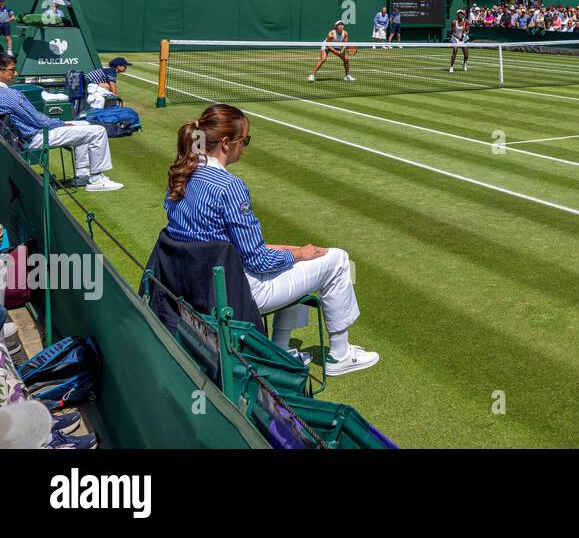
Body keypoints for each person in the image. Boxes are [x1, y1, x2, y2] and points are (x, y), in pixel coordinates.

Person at [164, 104, 378, 375]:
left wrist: (295, 250)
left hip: (194, 284)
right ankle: (340, 355)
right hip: (233, 291)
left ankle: (279, 350)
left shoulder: (182, 176)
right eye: (245, 141)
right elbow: (259, 261)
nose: (246, 147)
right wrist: (298, 254)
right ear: (227, 143)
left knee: (297, 260)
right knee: (337, 259)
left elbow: (223, 245)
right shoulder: (230, 187)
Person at [0, 53, 121, 191]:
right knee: (98, 131)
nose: (15, 73)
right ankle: (97, 179)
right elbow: (37, 120)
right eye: (12, 70)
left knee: (86, 124)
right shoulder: (7, 94)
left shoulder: (6, 92)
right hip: (36, 137)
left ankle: (82, 175)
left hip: (26, 135)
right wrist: (62, 123)